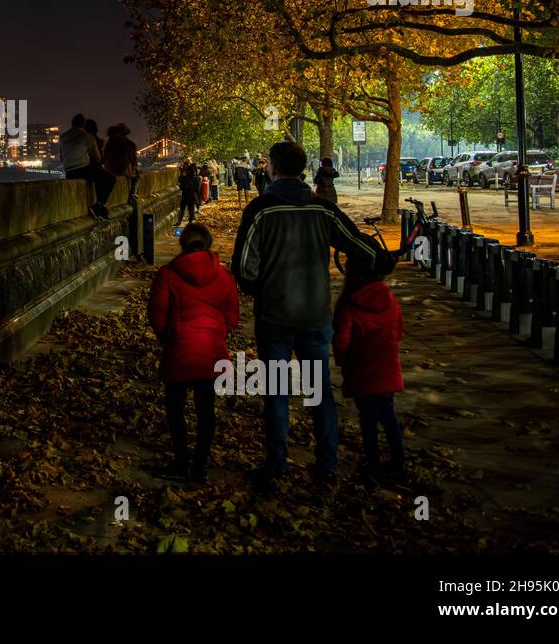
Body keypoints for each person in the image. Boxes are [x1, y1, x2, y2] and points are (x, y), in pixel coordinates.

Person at [231, 141, 388, 490]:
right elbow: (363, 248)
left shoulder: (261, 209)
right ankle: (326, 465)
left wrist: (262, 290)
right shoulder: (322, 210)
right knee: (319, 392)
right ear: (303, 168)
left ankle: (276, 465)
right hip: (315, 314)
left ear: (272, 167)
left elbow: (243, 267)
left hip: (275, 316)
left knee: (275, 391)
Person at [148, 223, 239, 484]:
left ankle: (180, 459)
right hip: (212, 352)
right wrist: (218, 335)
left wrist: (170, 337)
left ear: (183, 244)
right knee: (206, 410)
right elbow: (232, 315)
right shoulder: (223, 276)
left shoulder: (168, 274)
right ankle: (200, 465)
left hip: (180, 350)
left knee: (175, 409)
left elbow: (157, 313)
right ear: (208, 244)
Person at [333, 248, 407, 482]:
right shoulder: (389, 299)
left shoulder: (349, 303)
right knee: (389, 417)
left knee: (368, 420)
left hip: (362, 370)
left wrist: (344, 363)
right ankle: (398, 461)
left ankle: (373, 462)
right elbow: (399, 332)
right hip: (386, 368)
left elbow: (341, 340)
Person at [60, 113, 115, 219]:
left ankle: (100, 208)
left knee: (99, 176)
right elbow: (97, 158)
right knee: (110, 179)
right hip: (82, 169)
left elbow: (62, 158)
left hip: (68, 171)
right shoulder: (87, 136)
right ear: (83, 125)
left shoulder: (63, 137)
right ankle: (98, 206)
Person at [102, 123, 139, 198]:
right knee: (136, 177)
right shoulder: (130, 144)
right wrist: (134, 168)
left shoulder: (110, 141)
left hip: (109, 169)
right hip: (122, 169)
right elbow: (132, 160)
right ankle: (133, 194)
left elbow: (104, 157)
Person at [175, 160, 197, 226]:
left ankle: (179, 221)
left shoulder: (184, 178)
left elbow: (180, 184)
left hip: (185, 195)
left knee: (182, 208)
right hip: (192, 195)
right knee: (191, 209)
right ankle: (190, 222)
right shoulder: (195, 179)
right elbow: (197, 188)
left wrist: (181, 172)